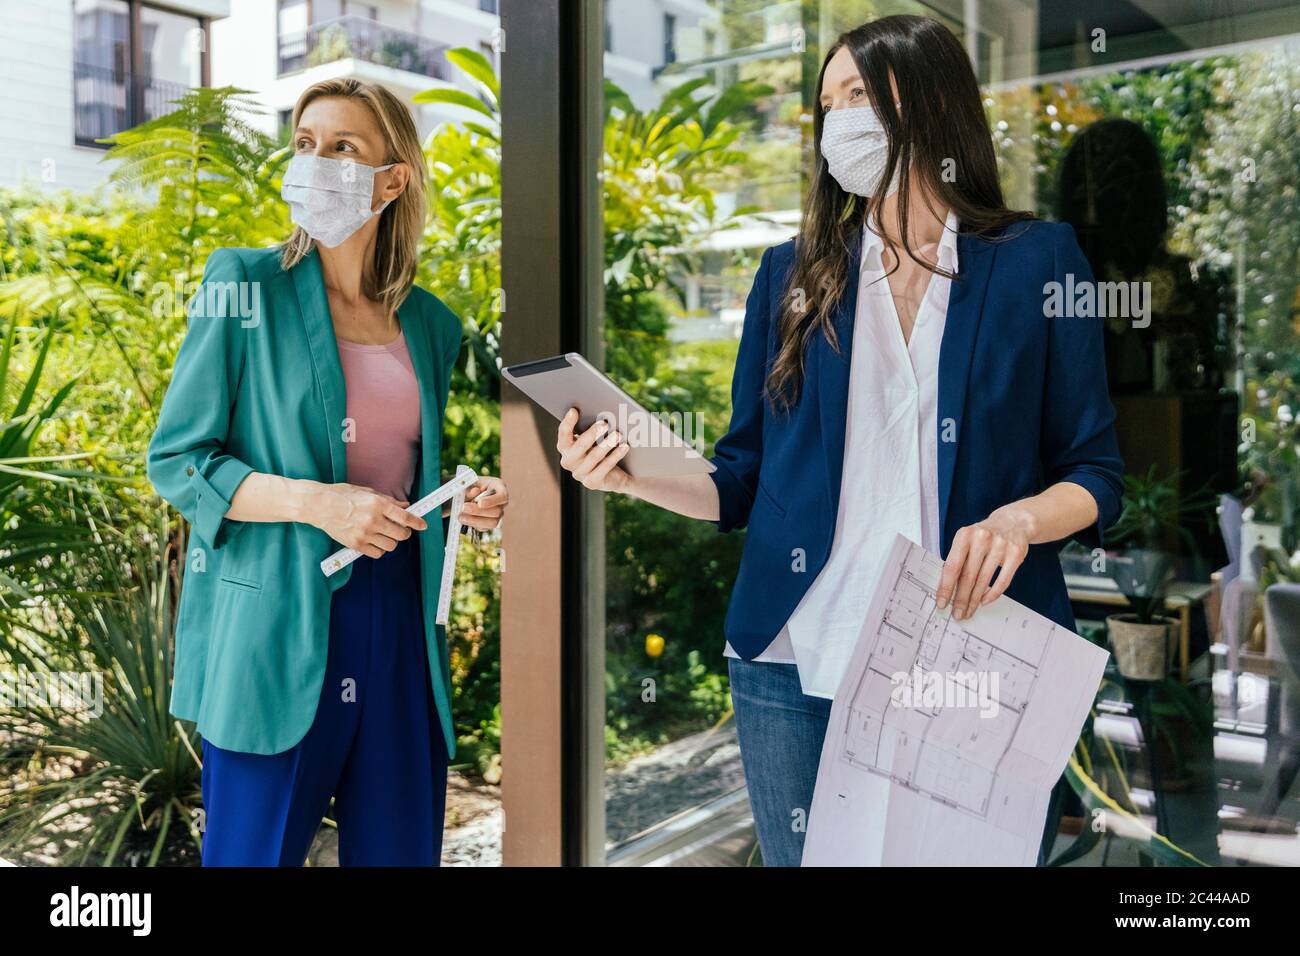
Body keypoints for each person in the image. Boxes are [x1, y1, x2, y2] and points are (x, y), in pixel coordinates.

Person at [554, 14, 1123, 866]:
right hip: (796, 660)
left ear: (932, 98)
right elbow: (741, 480)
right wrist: (629, 471)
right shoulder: (792, 271)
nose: (840, 118)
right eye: (828, 102)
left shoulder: (1038, 261)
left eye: (860, 92)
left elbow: (1094, 470)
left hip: (967, 653)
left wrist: (1018, 523)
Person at [147, 77, 508, 866]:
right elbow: (179, 461)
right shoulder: (243, 284)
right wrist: (319, 503)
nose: (316, 161)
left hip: (400, 624)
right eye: (305, 143)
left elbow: (406, 476)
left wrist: (464, 502)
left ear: (392, 178)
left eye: (342, 147)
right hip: (274, 622)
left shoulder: (431, 324)